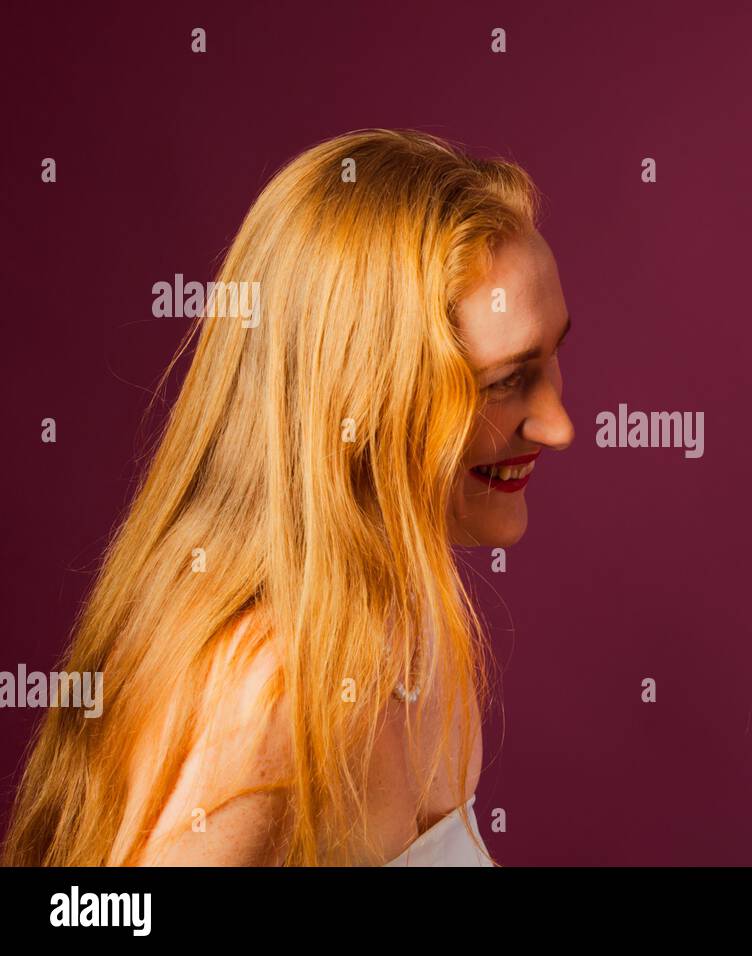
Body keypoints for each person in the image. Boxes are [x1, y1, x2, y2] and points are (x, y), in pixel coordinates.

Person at [2, 129, 574, 866]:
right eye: (504, 380)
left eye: (554, 355)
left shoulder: (422, 627)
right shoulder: (270, 686)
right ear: (360, 398)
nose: (558, 425)